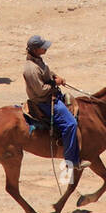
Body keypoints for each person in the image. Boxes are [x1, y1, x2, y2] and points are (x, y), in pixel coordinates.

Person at [23, 35, 86, 184]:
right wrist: (54, 83)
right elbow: (41, 90)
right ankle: (71, 161)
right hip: (43, 101)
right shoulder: (30, 68)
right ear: (36, 49)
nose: (45, 48)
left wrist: (55, 76)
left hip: (51, 95)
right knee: (71, 124)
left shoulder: (37, 60)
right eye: (43, 46)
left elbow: (46, 72)